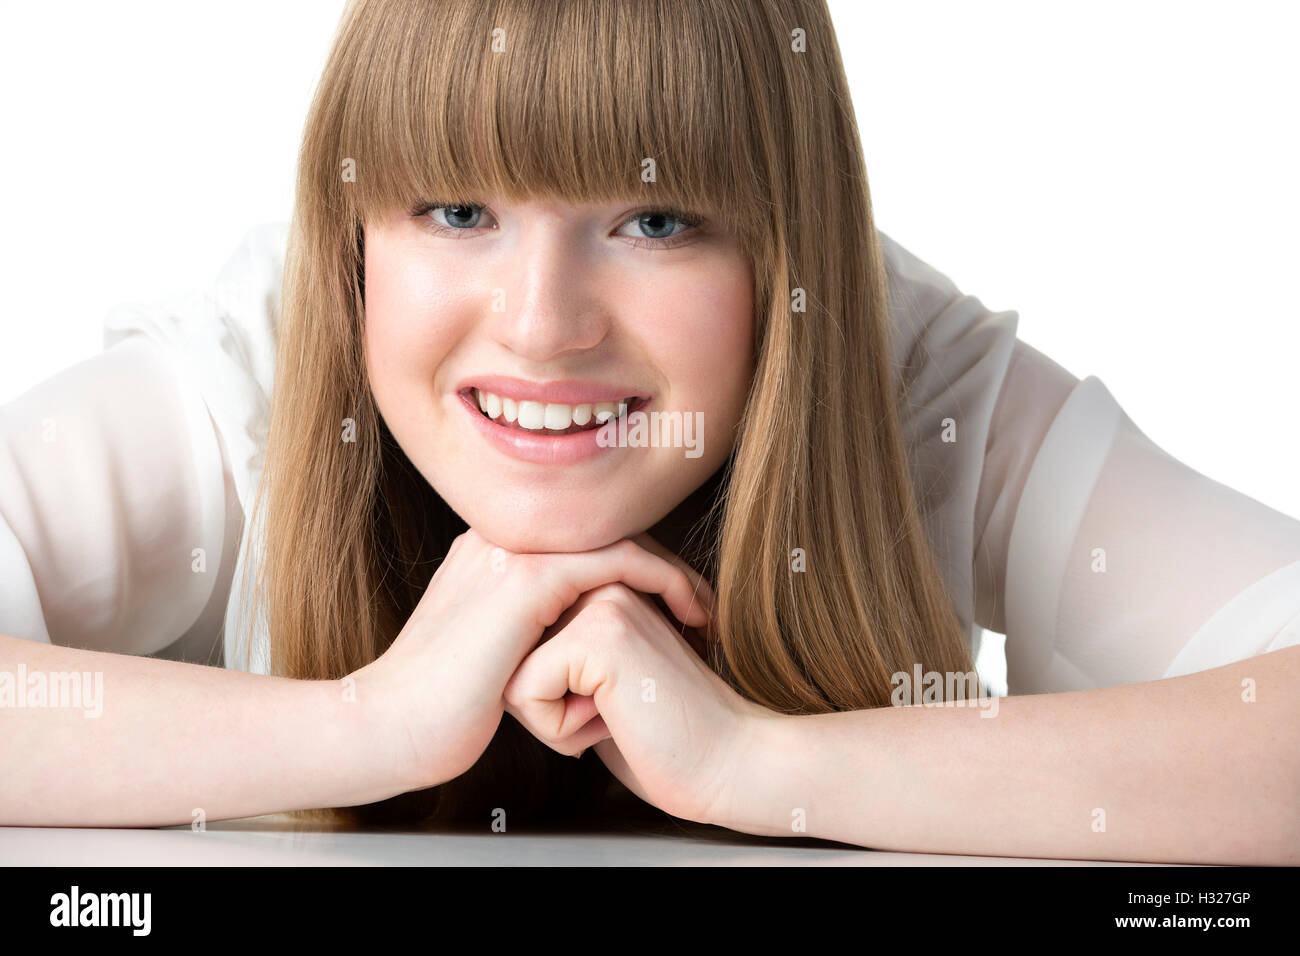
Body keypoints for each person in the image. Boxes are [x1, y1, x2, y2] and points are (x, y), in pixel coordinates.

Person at [1, 0, 1296, 864]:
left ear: (784, 246)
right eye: (457, 209)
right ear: (352, 240)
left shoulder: (900, 371)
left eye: (656, 219)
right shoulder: (252, 377)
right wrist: (369, 721)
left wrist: (759, 762)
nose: (539, 324)